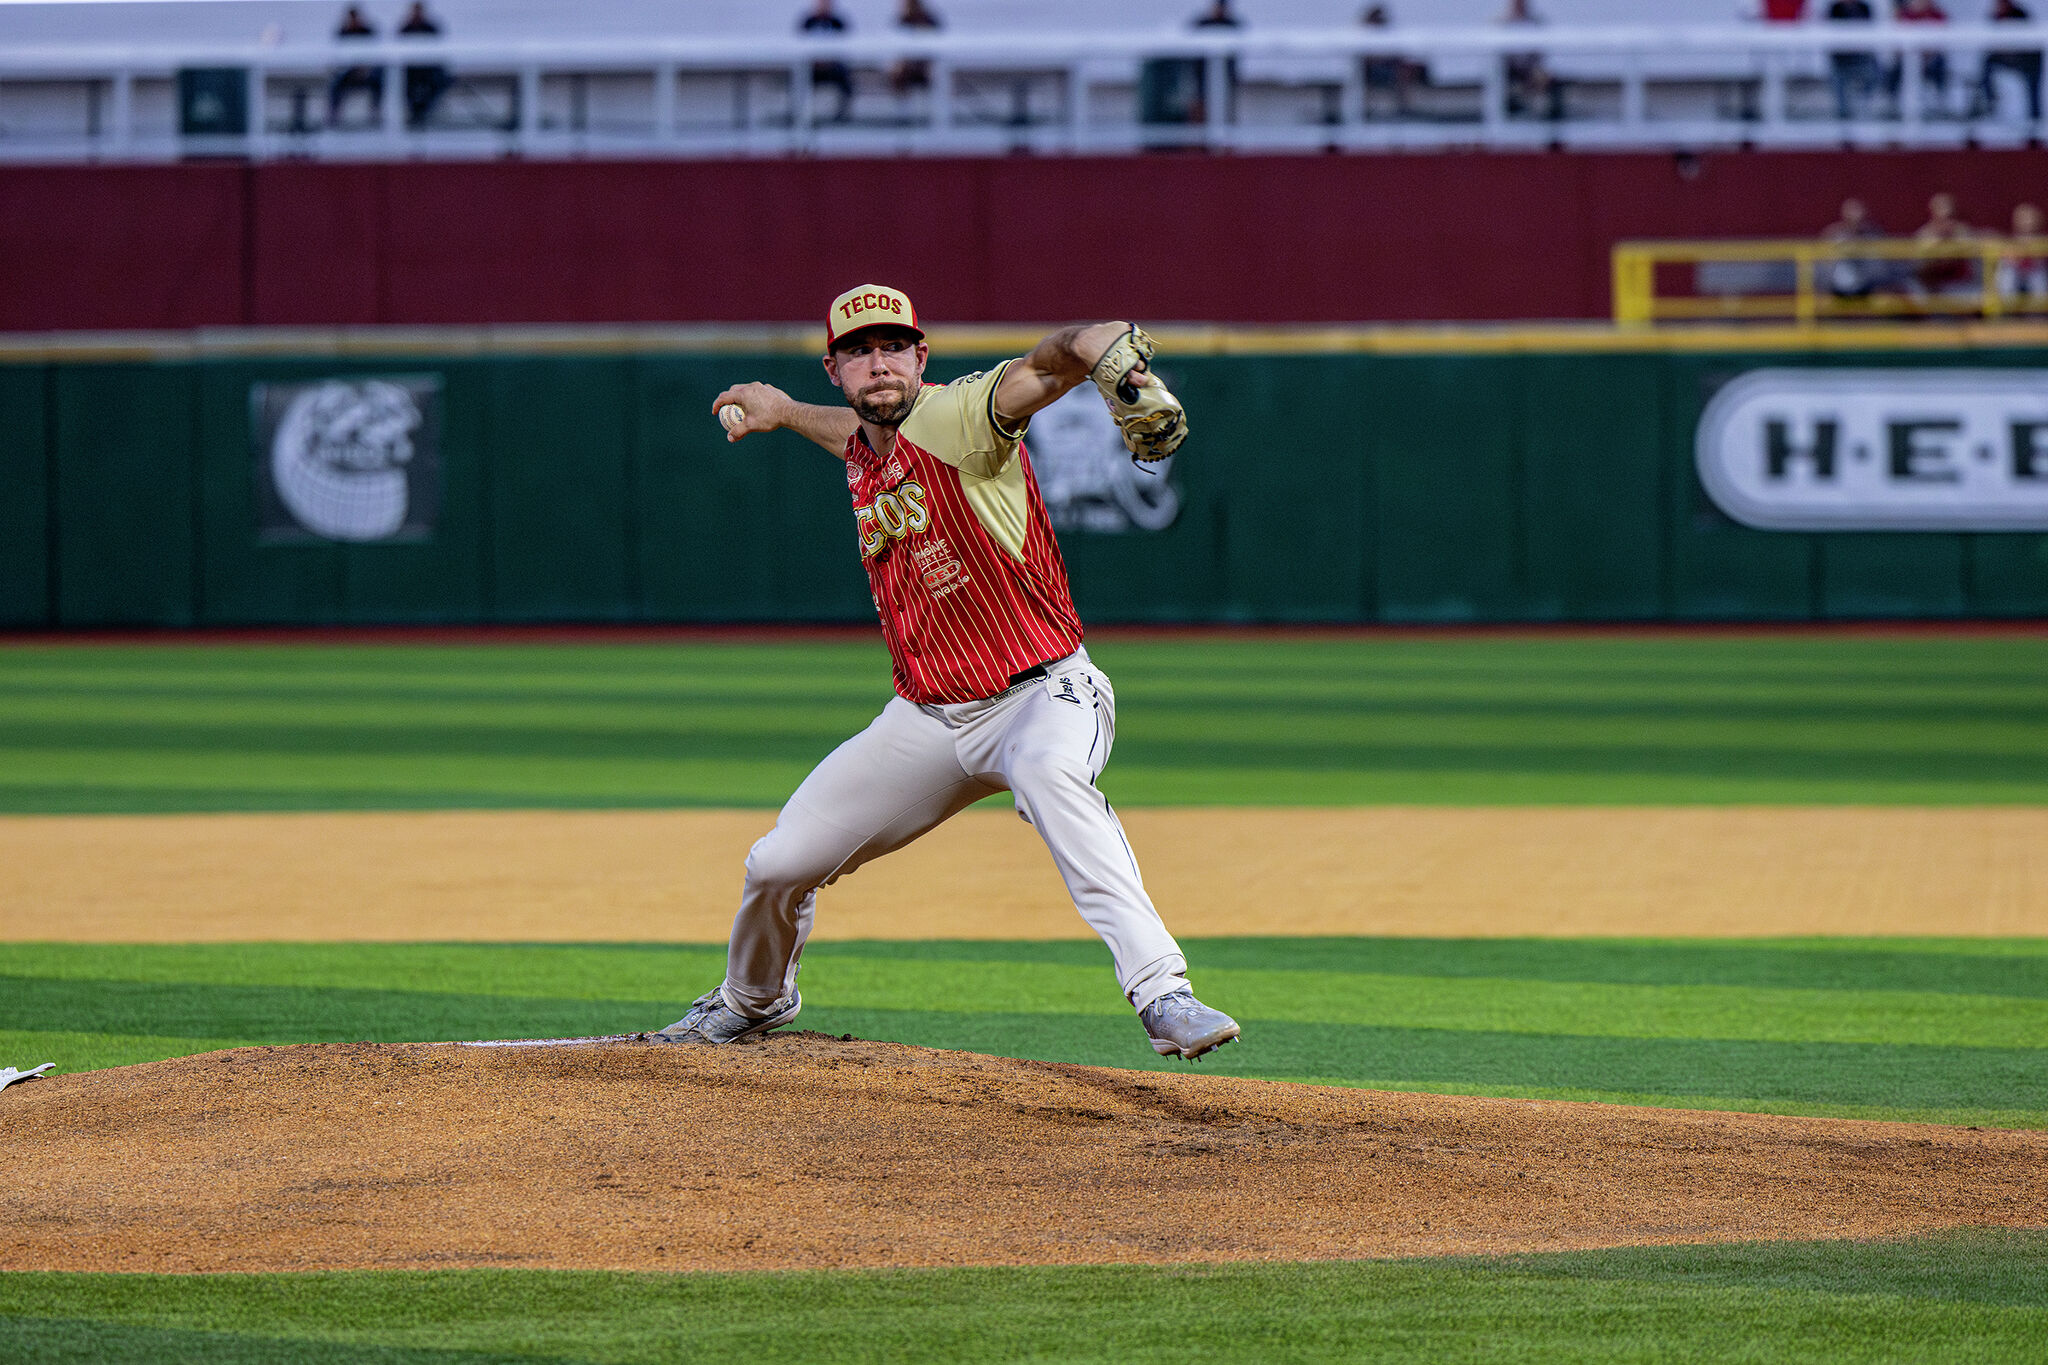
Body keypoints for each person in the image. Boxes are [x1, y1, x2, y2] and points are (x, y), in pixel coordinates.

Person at [660, 286, 1238, 1063]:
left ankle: (1163, 990)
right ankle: (754, 1000)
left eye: (893, 346)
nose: (879, 363)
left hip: (1042, 693)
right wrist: (785, 410)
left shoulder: (962, 412)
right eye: (860, 352)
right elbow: (853, 433)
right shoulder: (868, 442)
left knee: (1048, 775)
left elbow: (1057, 356)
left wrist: (1110, 358)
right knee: (776, 864)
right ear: (836, 369)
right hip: (928, 719)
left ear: (920, 357)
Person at [1979, 0, 2043, 124]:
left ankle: (2035, 119)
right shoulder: (1995, 17)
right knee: (1987, 62)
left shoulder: (2021, 15)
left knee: (2033, 77)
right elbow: (1991, 41)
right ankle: (1990, 103)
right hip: (2005, 57)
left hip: (2026, 59)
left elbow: (2028, 42)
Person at [1360, 6, 1429, 119]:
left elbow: (1395, 55)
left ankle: (1408, 108)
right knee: (1401, 73)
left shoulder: (1386, 37)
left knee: (1413, 69)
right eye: (1377, 19)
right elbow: (1368, 60)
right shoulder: (1363, 38)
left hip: (1389, 67)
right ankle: (1404, 109)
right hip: (1374, 73)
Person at [1826, 0, 1887, 120]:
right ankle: (1843, 114)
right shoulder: (1835, 9)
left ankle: (1862, 101)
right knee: (1836, 76)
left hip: (1861, 58)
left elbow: (1870, 33)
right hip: (1841, 59)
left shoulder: (1864, 8)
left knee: (1877, 71)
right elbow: (1831, 34)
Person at [1499, 0, 1558, 121]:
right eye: (1516, 3)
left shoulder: (1536, 22)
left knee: (1544, 78)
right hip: (1511, 72)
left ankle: (1543, 119)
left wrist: (1531, 68)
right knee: (1501, 81)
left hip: (1531, 68)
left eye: (1522, 3)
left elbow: (1540, 51)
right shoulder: (1502, 23)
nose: (1519, 5)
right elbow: (1500, 53)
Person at [1913, 191, 1977, 302]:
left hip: (1961, 284)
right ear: (1932, 212)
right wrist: (1935, 251)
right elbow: (1919, 266)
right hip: (1932, 286)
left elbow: (1974, 251)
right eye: (1939, 209)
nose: (1944, 217)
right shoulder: (1925, 234)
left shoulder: (1962, 232)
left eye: (1949, 215)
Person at [326, 5, 382, 127]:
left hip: (366, 72)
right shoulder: (342, 33)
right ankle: (333, 116)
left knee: (379, 79)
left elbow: (376, 54)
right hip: (348, 72)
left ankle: (376, 113)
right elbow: (337, 57)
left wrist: (365, 68)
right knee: (335, 82)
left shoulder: (368, 32)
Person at [1821, 196, 1888, 298]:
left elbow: (1879, 267)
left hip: (1866, 286)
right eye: (1850, 210)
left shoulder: (1872, 235)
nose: (1854, 215)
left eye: (1857, 210)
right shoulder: (1833, 234)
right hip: (1837, 288)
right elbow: (1824, 265)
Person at [397, 2, 451, 130]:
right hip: (411, 70)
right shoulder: (405, 28)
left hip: (428, 68)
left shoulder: (431, 28)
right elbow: (398, 49)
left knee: (439, 81)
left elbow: (439, 49)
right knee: (403, 83)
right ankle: (415, 113)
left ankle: (425, 111)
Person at [799, 0, 854, 124]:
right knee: (799, 76)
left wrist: (829, 60)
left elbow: (844, 47)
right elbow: (801, 46)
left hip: (832, 65)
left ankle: (842, 116)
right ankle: (801, 116)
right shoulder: (808, 22)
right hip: (813, 67)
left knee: (845, 76)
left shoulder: (837, 23)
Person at [1894, 0, 1950, 117]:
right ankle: (1892, 103)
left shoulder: (1937, 15)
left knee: (1939, 63)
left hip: (1931, 58)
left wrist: (1926, 54)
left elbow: (1941, 42)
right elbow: (1897, 43)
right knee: (1896, 67)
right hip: (1908, 57)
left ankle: (1940, 103)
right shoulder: (1904, 15)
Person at [890, 0, 942, 100]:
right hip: (908, 63)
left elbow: (938, 43)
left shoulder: (929, 20)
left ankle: (933, 103)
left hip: (926, 63)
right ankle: (902, 105)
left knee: (935, 73)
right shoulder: (903, 20)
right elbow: (898, 43)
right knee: (898, 72)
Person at [1997, 202, 2048, 303]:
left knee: (2039, 279)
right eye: (2023, 218)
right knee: (2008, 275)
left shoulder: (2043, 240)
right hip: (2015, 272)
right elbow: (2008, 258)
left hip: (2035, 273)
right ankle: (2007, 309)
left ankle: (2038, 311)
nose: (2027, 223)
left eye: (2029, 218)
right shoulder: (2011, 240)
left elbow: (2040, 259)